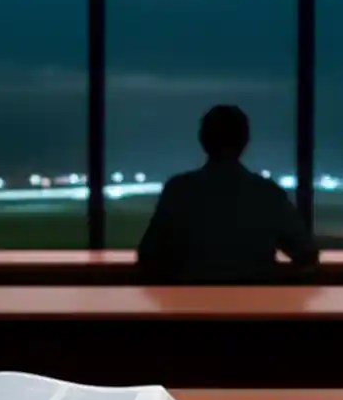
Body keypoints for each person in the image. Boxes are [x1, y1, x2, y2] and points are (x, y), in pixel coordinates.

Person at [136, 105, 319, 283]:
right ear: (245, 142)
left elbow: (149, 254)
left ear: (203, 140)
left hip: (188, 308)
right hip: (255, 308)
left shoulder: (178, 191)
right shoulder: (268, 194)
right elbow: (306, 253)